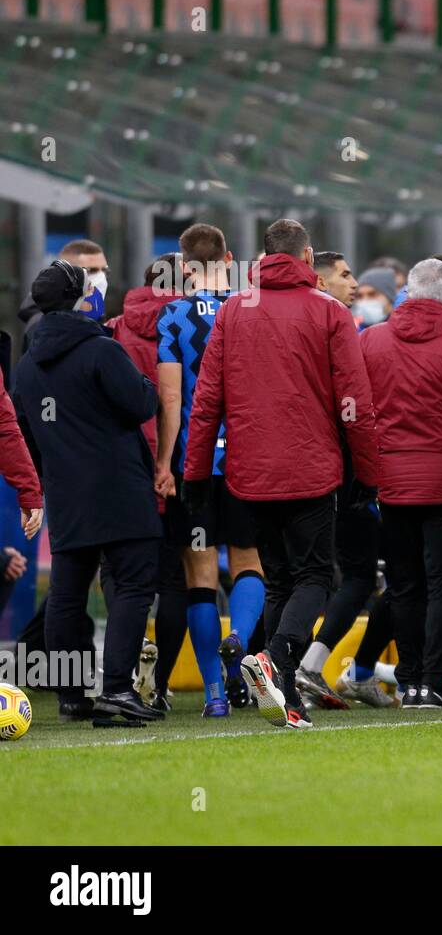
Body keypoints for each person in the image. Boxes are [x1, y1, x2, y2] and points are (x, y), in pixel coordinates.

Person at [183, 219, 379, 731]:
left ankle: (285, 699)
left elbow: (206, 403)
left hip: (248, 471)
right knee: (316, 576)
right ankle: (273, 657)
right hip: (312, 468)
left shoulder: (233, 310)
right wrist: (369, 471)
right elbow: (354, 403)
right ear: (308, 257)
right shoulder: (330, 312)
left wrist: (197, 475)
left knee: (277, 583)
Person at [14, 261, 159, 724]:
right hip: (119, 486)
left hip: (65, 491)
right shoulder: (100, 349)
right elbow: (140, 403)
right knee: (133, 585)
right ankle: (117, 688)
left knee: (66, 594)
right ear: (82, 299)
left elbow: (27, 434)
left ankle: (71, 696)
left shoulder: (26, 367)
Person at [361, 258, 442, 708]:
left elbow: (359, 413)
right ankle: (432, 681)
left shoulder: (370, 342)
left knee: (404, 585)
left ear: (409, 293)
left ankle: (410, 679)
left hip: (391, 482)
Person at [156, 224, 267, 718]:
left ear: (182, 266)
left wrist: (165, 463)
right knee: (249, 563)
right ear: (231, 257)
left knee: (199, 572)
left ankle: (214, 693)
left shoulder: (174, 315)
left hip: (195, 464)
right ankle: (239, 643)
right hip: (249, 459)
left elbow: (171, 398)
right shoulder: (252, 310)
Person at [107, 253, 188, 709]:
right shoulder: (189, 323)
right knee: (174, 578)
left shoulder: (114, 328)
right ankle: (159, 686)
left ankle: (123, 667)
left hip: (121, 467)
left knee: (119, 573)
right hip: (176, 464)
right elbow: (178, 394)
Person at [295, 248, 373, 710]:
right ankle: (302, 666)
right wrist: (366, 471)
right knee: (354, 573)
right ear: (322, 282)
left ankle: (276, 667)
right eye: (345, 274)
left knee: (291, 574)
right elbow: (355, 405)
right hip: (335, 469)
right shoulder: (337, 325)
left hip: (291, 466)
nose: (353, 281)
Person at [19, 239, 110, 339]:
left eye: (105, 270)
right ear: (65, 274)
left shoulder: (93, 316)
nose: (101, 277)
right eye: (90, 270)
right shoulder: (44, 326)